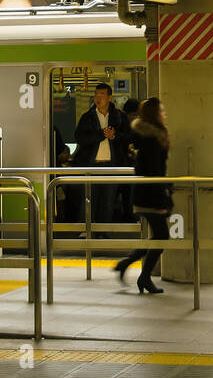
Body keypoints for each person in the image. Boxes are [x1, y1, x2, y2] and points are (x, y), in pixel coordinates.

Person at [113, 97, 172, 294]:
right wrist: (163, 199)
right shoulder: (152, 138)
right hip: (150, 194)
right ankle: (142, 275)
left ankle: (130, 267)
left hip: (146, 193)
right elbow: (154, 171)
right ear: (154, 114)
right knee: (162, 236)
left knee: (158, 236)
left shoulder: (147, 135)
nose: (164, 113)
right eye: (161, 110)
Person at [71, 83, 131, 228]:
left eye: (102, 95)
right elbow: (79, 138)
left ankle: (103, 230)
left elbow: (128, 137)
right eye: (96, 94)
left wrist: (114, 135)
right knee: (89, 199)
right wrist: (100, 134)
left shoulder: (119, 116)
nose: (98, 98)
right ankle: (86, 228)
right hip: (91, 165)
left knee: (108, 200)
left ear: (109, 97)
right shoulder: (88, 117)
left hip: (112, 165)